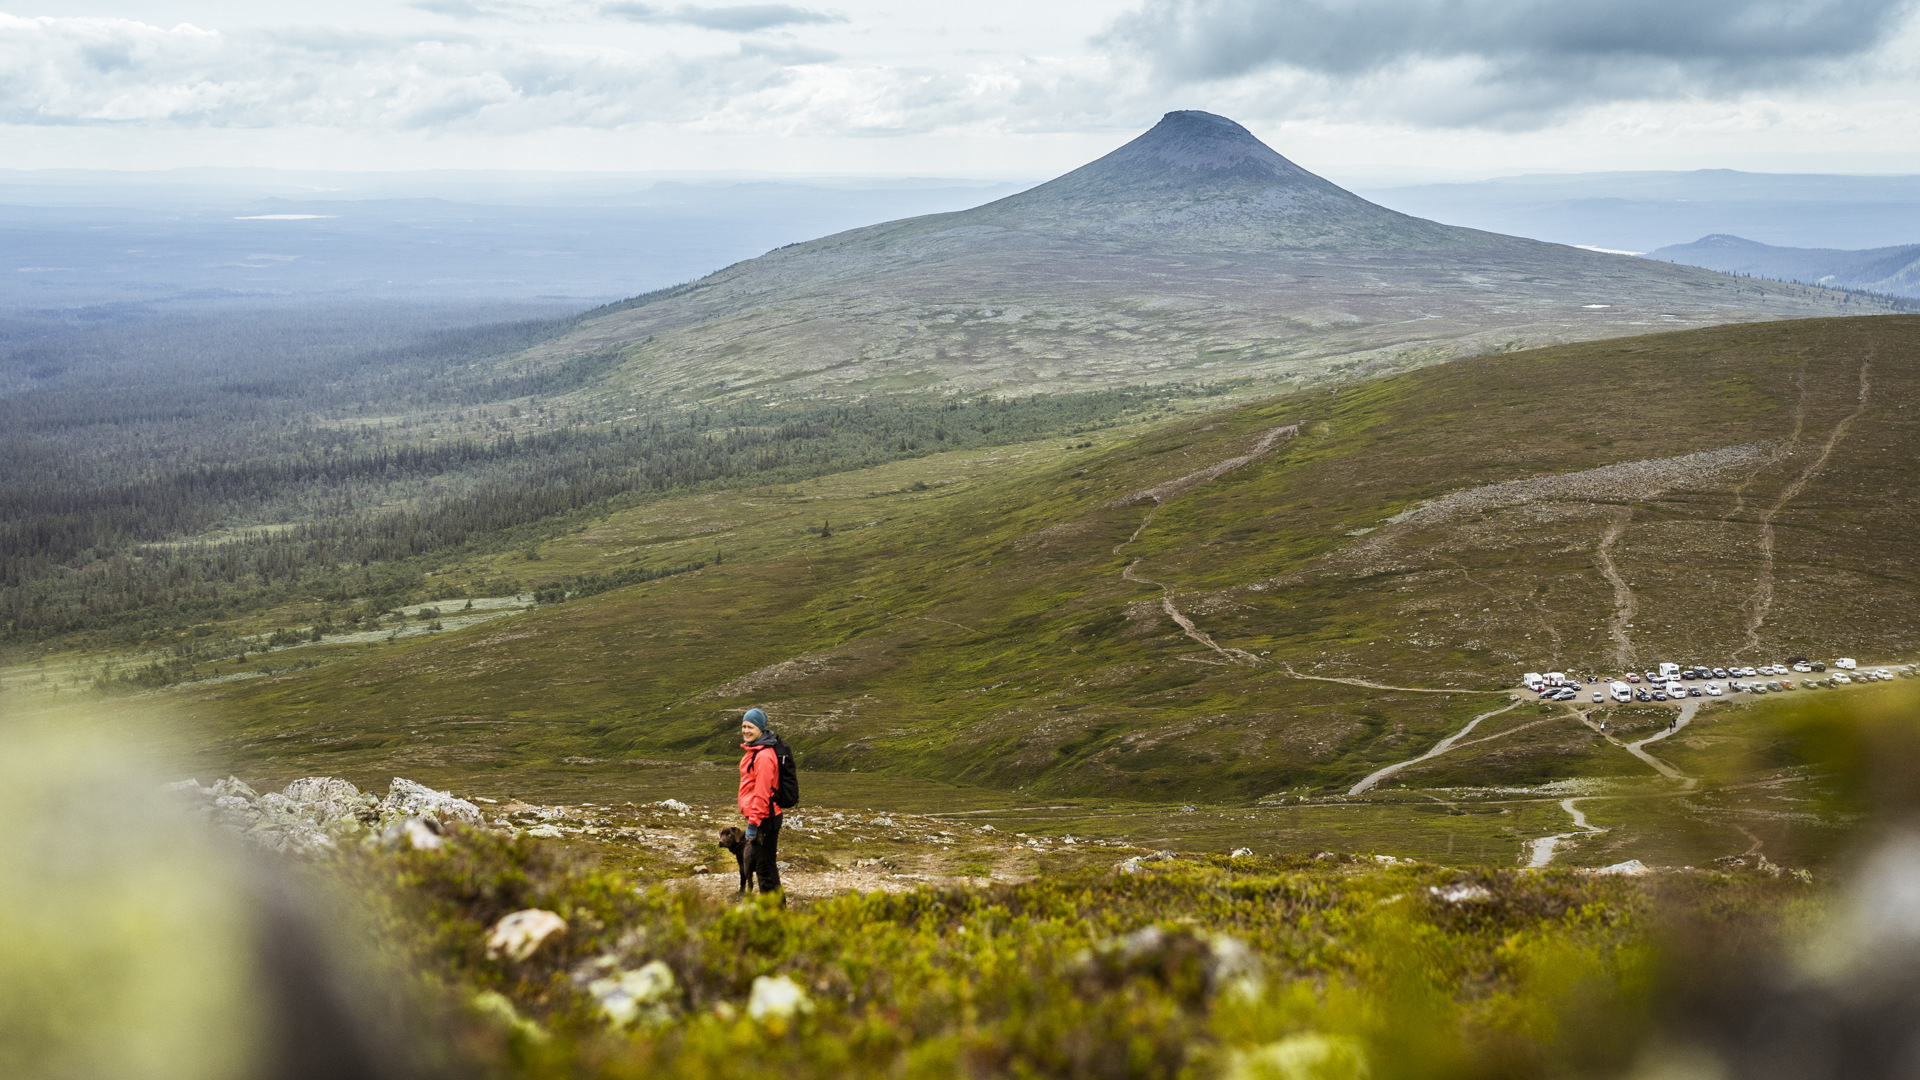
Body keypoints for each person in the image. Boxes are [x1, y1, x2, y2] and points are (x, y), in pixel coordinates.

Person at [737, 707, 785, 896]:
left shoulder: (764, 755)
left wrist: (753, 823)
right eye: (744, 726)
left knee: (765, 870)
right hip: (763, 817)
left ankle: (773, 915)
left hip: (765, 819)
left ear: (760, 729)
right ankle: (777, 913)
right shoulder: (755, 750)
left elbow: (762, 793)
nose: (746, 731)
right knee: (766, 868)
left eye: (750, 727)